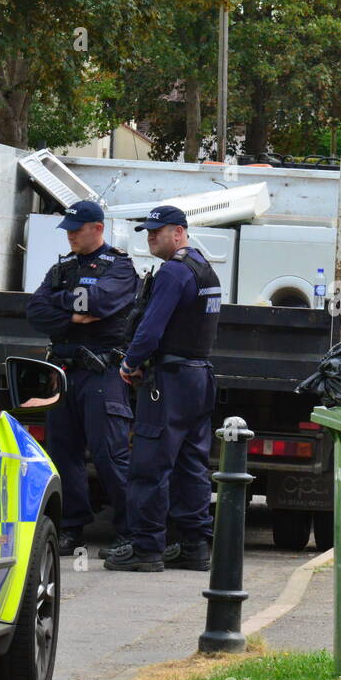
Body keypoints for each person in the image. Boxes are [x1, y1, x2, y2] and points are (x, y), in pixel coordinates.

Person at [107, 205, 221, 573]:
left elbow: (151, 328)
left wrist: (130, 362)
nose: (151, 237)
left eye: (158, 230)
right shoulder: (203, 268)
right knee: (191, 463)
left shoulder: (173, 272)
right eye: (147, 231)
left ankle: (146, 548)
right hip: (199, 376)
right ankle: (194, 545)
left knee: (150, 464)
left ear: (179, 231)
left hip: (170, 380)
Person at [25, 200, 137, 556]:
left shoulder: (118, 267)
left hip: (102, 372)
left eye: (77, 228)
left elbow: (101, 302)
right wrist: (73, 316)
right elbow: (35, 311)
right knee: (63, 453)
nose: (70, 234)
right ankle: (72, 527)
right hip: (64, 372)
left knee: (110, 455)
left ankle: (129, 531)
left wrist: (65, 305)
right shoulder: (64, 269)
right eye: (68, 228)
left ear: (98, 228)